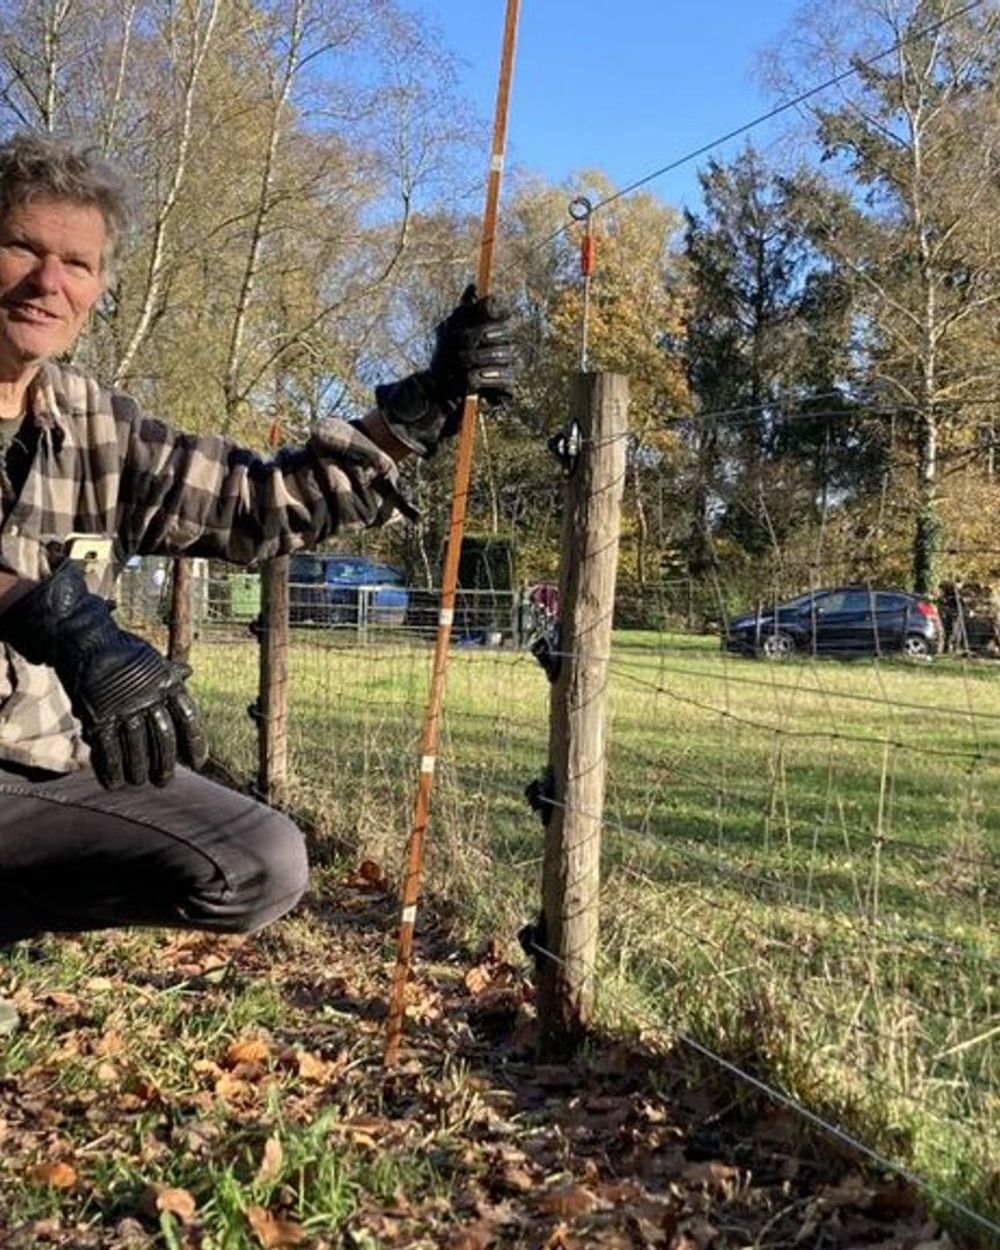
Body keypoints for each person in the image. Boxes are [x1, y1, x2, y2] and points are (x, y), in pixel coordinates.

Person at [0, 133, 515, 1025]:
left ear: (98, 290)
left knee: (258, 859)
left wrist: (417, 409)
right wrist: (56, 617)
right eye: (22, 248)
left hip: (37, 765)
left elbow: (253, 501)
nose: (49, 282)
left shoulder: (93, 423)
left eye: (76, 262)